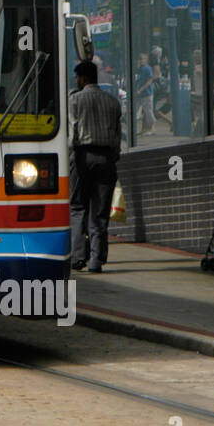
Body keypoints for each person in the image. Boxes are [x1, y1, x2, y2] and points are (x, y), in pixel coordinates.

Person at [69, 60, 123, 272]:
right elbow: (118, 136)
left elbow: (72, 132)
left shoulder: (74, 100)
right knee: (100, 212)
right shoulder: (112, 102)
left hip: (82, 156)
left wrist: (71, 156)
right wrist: (112, 157)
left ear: (82, 78)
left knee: (77, 207)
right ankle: (96, 260)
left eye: (77, 77)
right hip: (106, 159)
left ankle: (78, 257)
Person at [134, 52, 156, 135]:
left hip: (147, 93)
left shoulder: (147, 68)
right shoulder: (140, 69)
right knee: (136, 110)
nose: (140, 61)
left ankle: (152, 128)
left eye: (142, 59)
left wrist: (141, 89)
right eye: (139, 59)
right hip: (139, 94)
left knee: (148, 111)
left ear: (146, 60)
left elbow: (150, 80)